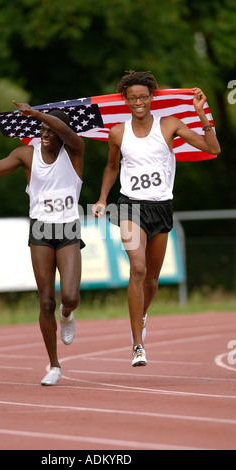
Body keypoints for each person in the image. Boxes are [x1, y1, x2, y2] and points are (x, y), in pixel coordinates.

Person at [92, 70, 220, 367]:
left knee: (150, 280)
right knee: (137, 268)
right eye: (132, 98)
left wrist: (202, 115)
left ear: (152, 98)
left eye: (143, 97)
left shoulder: (169, 125)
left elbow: (213, 149)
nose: (138, 102)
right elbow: (112, 167)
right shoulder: (117, 132)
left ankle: (142, 314)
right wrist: (101, 198)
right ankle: (138, 344)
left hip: (161, 207)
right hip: (129, 207)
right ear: (125, 100)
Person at [0, 101, 85, 386]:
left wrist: (37, 113)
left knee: (70, 297)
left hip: (68, 227)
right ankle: (54, 365)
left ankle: (68, 314)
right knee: (46, 299)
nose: (44, 134)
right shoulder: (26, 153)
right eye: (42, 129)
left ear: (62, 133)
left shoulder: (74, 150)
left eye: (51, 130)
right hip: (40, 229)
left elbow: (67, 133)